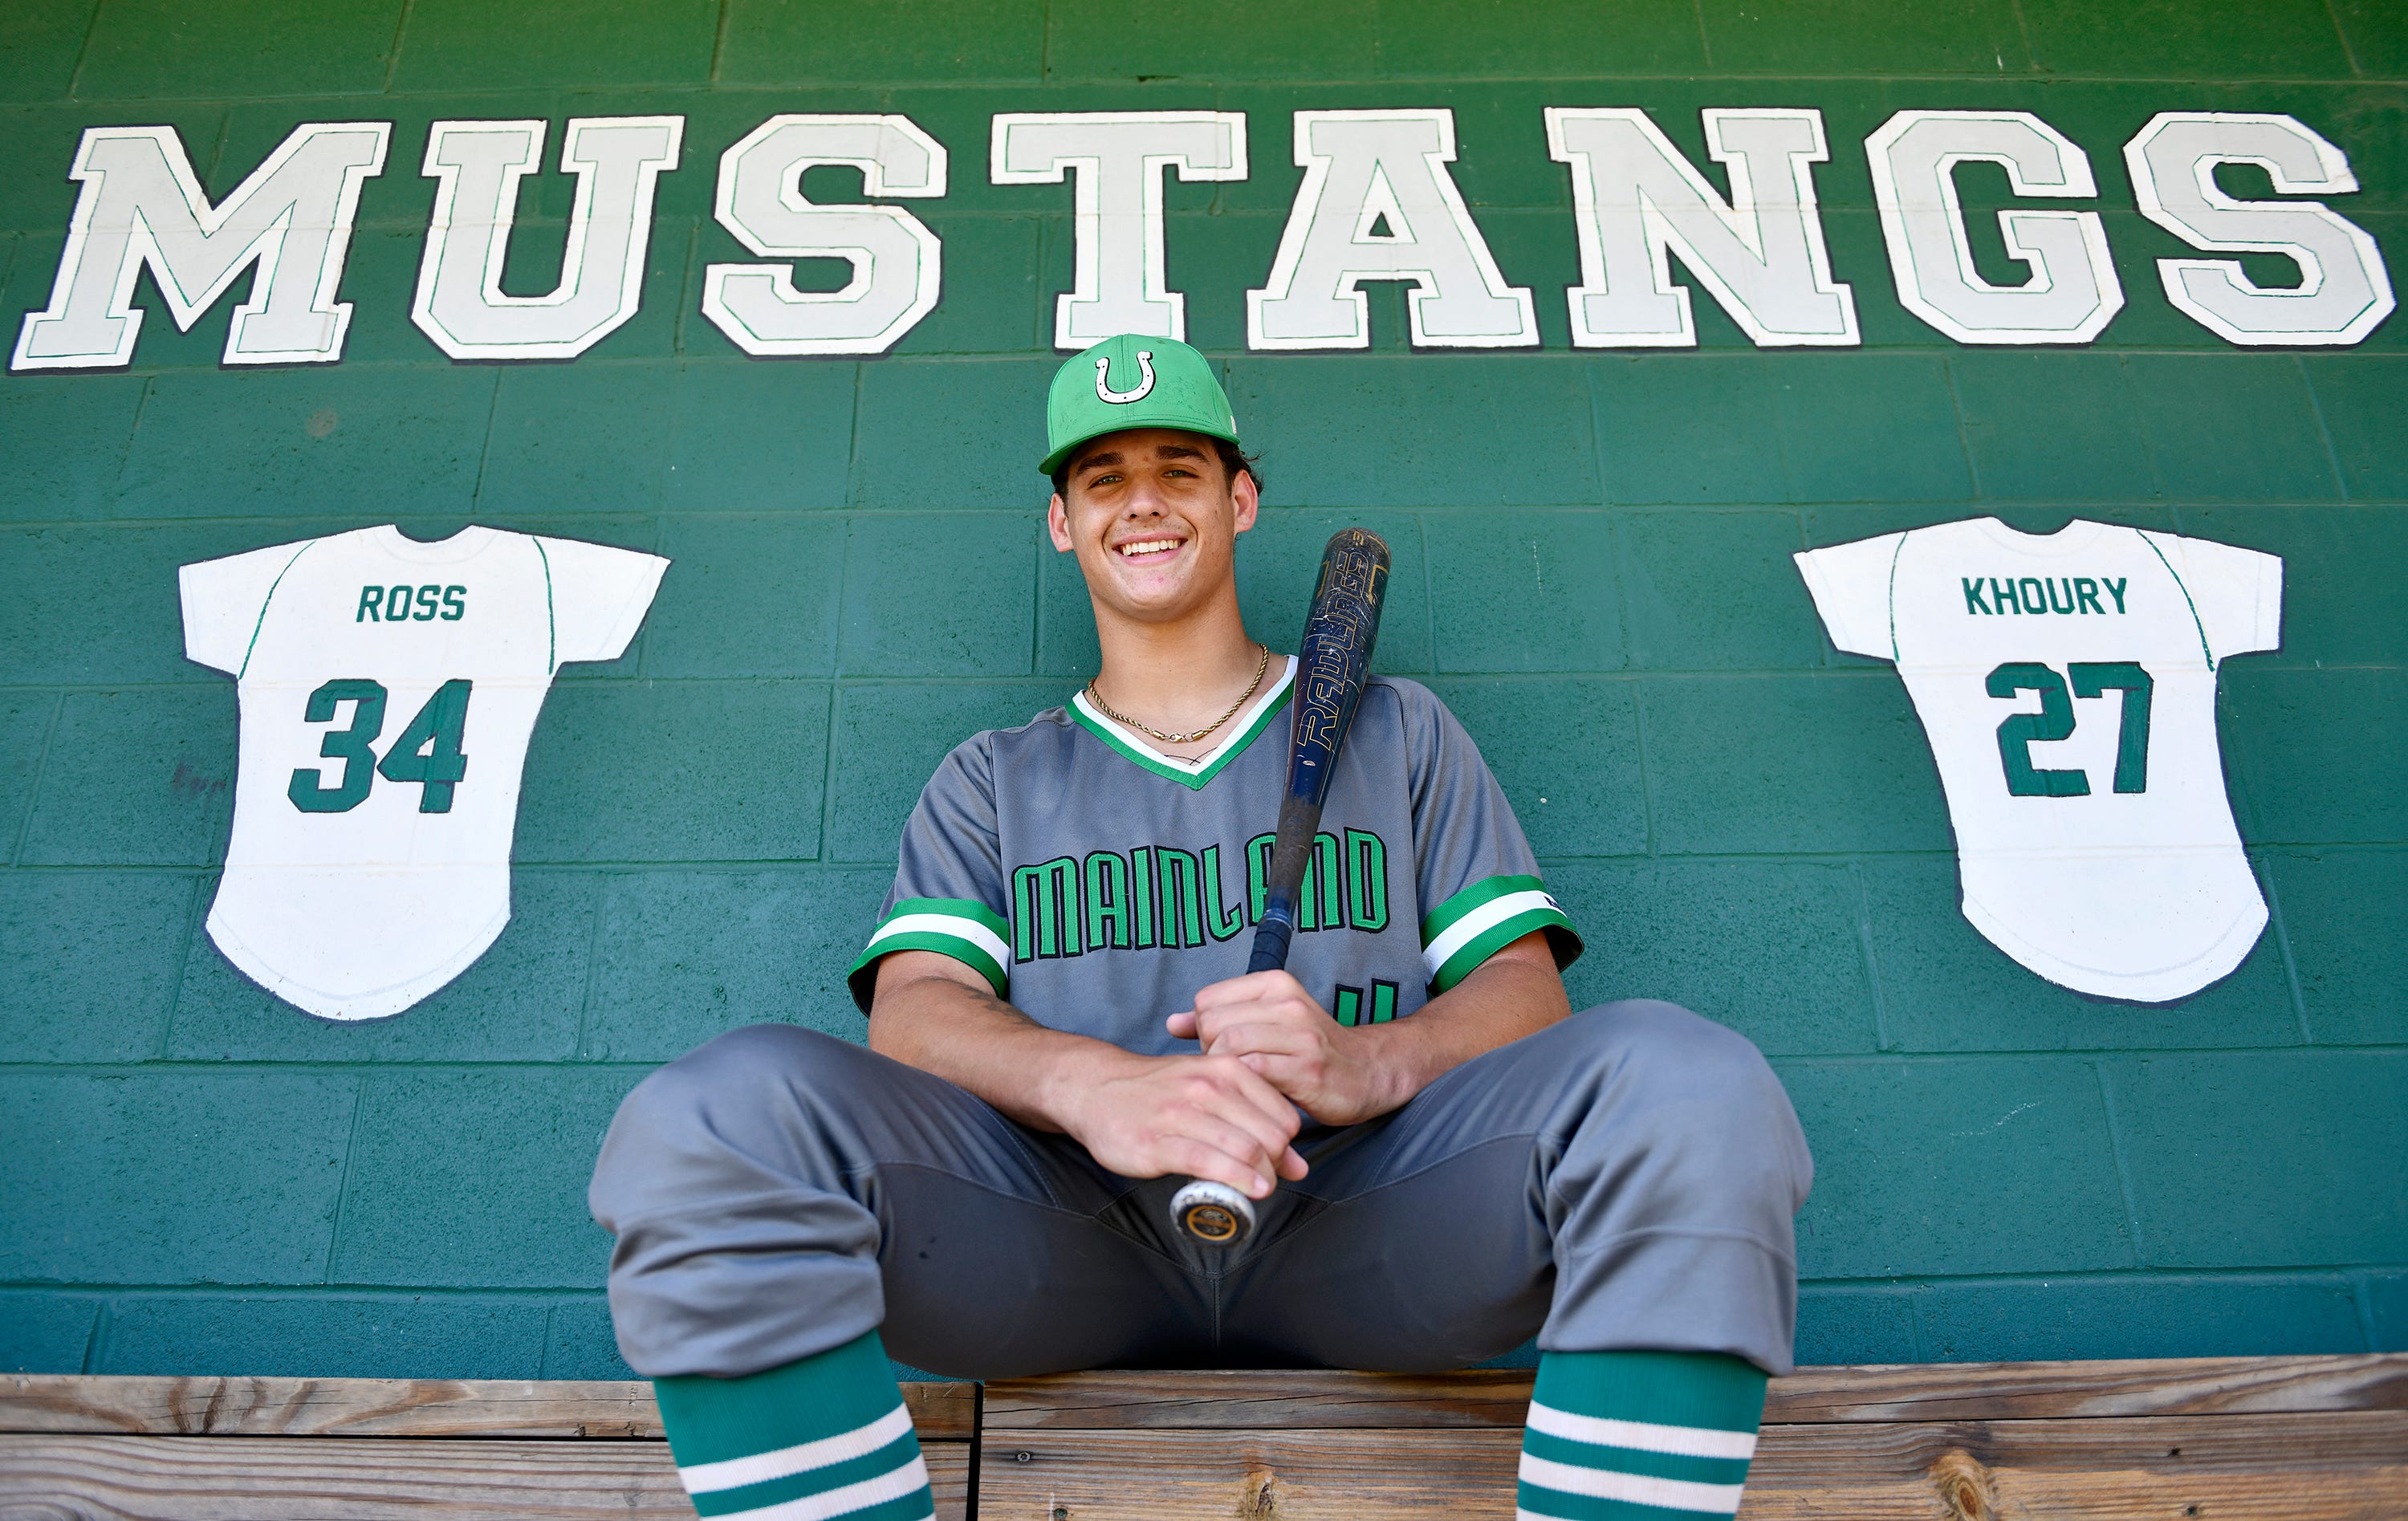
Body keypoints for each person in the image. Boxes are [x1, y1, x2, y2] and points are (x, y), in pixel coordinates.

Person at [589, 335, 1813, 1521]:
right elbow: (915, 1013)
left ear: (1240, 500)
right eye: (1103, 477)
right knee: (715, 1121)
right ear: (1063, 521)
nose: (1143, 503)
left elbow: (1526, 996)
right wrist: (1101, 1088)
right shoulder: (993, 778)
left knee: (1689, 1085)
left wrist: (1364, 1061)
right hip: (1071, 1240)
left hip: (1365, 1219)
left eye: (1179, 469)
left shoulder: (1399, 733)